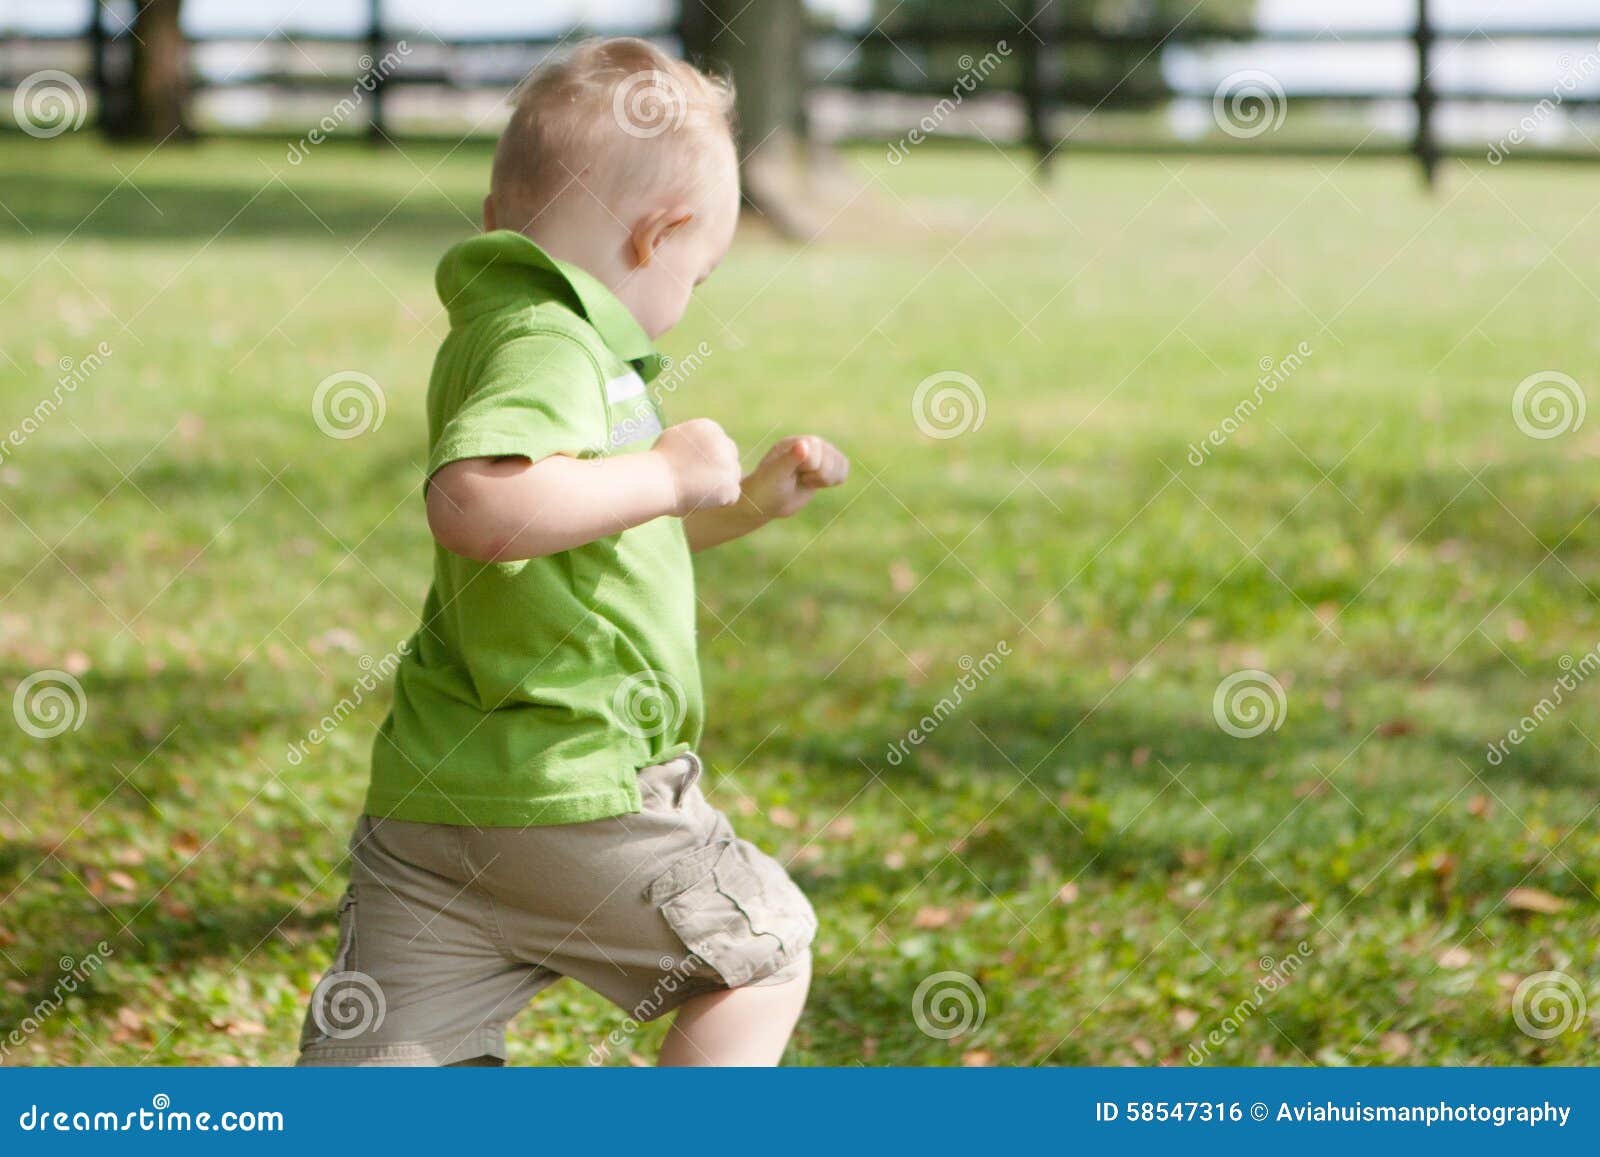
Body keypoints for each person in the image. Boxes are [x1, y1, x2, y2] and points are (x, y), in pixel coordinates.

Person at [296, 36, 849, 1067]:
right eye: (701, 271)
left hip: (437, 806)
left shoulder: (519, 325)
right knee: (763, 953)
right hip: (576, 791)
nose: (692, 297)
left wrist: (741, 502)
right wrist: (668, 472)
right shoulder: (550, 343)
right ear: (658, 234)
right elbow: (476, 504)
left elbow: (586, 518)